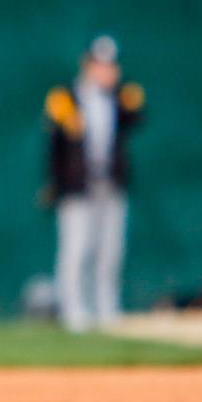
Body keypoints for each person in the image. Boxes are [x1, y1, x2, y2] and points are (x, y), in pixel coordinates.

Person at [44, 36, 145, 330]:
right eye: (99, 65)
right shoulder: (65, 97)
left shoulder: (120, 97)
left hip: (110, 184)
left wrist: (119, 91)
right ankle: (73, 309)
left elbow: (137, 118)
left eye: (109, 65)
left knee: (110, 250)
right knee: (76, 249)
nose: (104, 70)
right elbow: (54, 146)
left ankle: (106, 308)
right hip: (78, 186)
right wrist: (54, 184)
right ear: (87, 65)